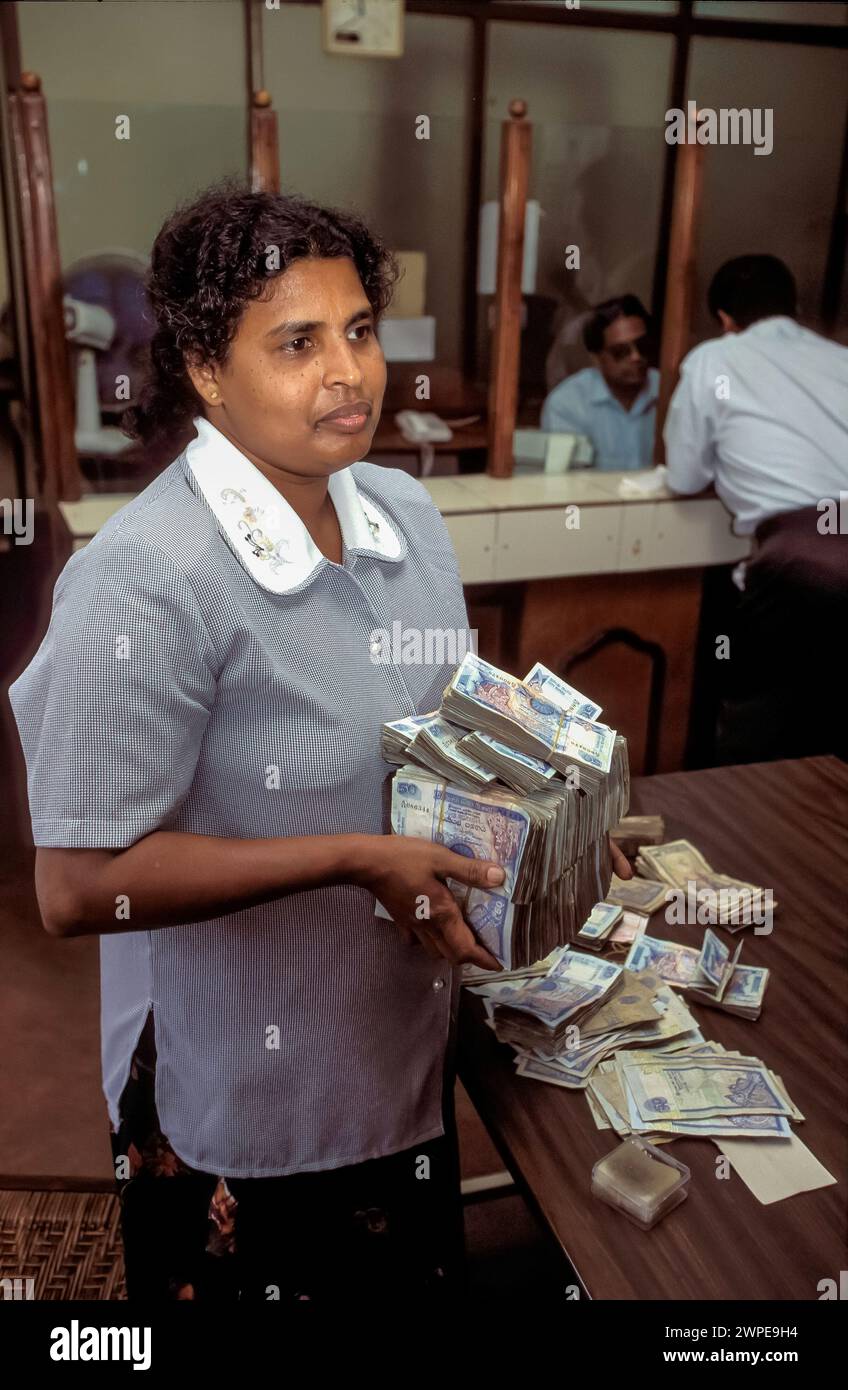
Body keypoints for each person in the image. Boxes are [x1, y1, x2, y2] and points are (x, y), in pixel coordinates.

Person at [9, 182, 516, 1305]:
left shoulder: (404, 518)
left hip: (389, 1033)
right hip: (238, 1085)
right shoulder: (148, 576)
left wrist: (543, 801)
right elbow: (78, 887)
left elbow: (432, 731)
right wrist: (350, 855)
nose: (347, 373)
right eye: (296, 343)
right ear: (202, 369)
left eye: (359, 330)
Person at [664, 254, 848, 764]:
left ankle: (739, 834)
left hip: (804, 564)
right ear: (793, 306)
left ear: (724, 318)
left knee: (762, 726)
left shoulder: (713, 360)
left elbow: (684, 475)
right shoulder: (840, 359)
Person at [540, 294, 659, 470]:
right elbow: (564, 482)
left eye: (642, 345)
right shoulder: (568, 403)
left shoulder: (669, 391)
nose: (636, 357)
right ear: (596, 358)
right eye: (620, 351)